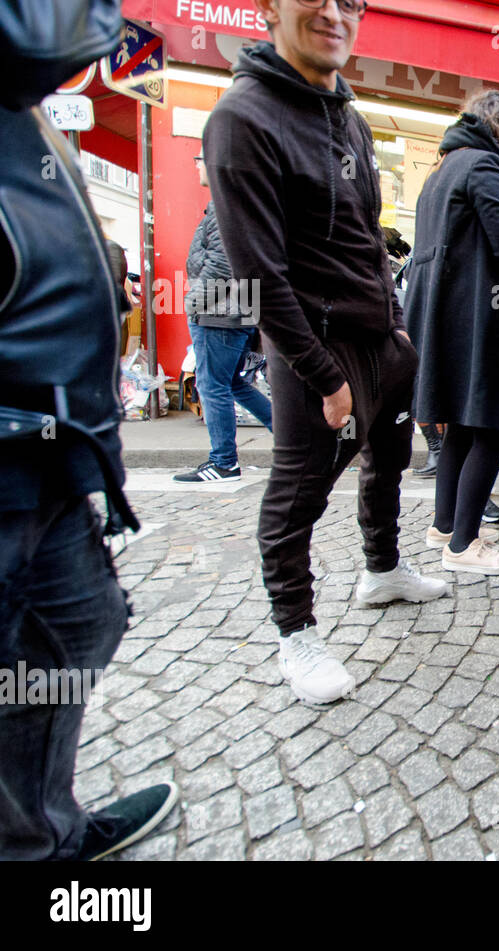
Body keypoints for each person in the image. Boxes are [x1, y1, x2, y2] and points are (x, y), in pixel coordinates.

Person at [205, 0, 445, 706]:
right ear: (268, 7)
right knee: (299, 491)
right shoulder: (241, 121)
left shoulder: (350, 116)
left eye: (353, 2)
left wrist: (399, 331)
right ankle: (296, 633)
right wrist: (321, 372)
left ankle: (383, 568)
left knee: (391, 462)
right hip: (317, 350)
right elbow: (258, 277)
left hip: (382, 341)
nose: (337, 13)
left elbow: (372, 241)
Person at [0, 0, 179, 860]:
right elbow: (52, 31)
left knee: (81, 624)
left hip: (50, 433)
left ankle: (44, 822)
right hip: (15, 432)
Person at [406, 90, 499, 576]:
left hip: (448, 318)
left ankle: (446, 524)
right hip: (483, 317)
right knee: (496, 425)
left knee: (460, 424)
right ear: (494, 128)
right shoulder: (484, 164)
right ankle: (463, 544)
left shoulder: (442, 169)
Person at [173, 149, 275, 484]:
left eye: (200, 158)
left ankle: (223, 463)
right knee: (233, 383)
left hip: (218, 313)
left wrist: (194, 304)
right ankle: (296, 440)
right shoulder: (244, 205)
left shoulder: (225, 207)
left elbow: (221, 266)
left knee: (212, 385)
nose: (197, 164)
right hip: (238, 310)